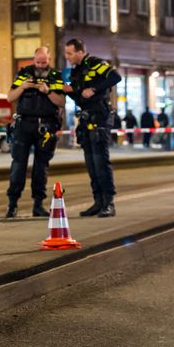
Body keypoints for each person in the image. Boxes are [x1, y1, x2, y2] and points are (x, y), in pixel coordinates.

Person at [62, 38, 121, 218]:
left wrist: (94, 89)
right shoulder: (75, 72)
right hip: (86, 119)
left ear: (80, 52)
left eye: (70, 53)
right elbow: (82, 98)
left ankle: (108, 203)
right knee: (91, 164)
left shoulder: (95, 63)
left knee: (100, 162)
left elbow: (115, 77)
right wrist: (71, 93)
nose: (67, 57)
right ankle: (98, 202)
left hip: (100, 118)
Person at [5, 46, 65, 218]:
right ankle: (12, 204)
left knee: (41, 167)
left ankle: (38, 204)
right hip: (24, 125)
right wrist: (23, 87)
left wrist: (47, 91)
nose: (40, 65)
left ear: (49, 59)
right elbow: (10, 97)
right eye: (37, 62)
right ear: (33, 59)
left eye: (43, 62)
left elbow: (61, 102)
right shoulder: (24, 73)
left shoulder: (55, 76)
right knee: (18, 165)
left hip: (46, 126)